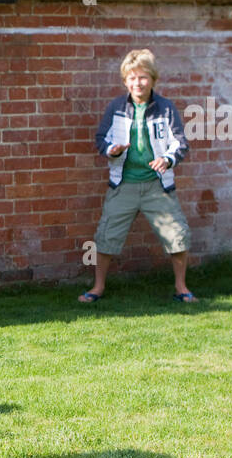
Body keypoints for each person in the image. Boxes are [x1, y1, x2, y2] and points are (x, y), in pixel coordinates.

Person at [79, 49, 197, 303]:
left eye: (142, 77)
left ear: (153, 79)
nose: (137, 83)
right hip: (124, 184)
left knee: (177, 235)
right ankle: (97, 288)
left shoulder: (166, 108)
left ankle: (181, 287)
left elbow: (180, 143)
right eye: (132, 78)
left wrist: (166, 159)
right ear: (125, 81)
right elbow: (102, 139)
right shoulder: (116, 107)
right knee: (107, 236)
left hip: (158, 186)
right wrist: (113, 150)